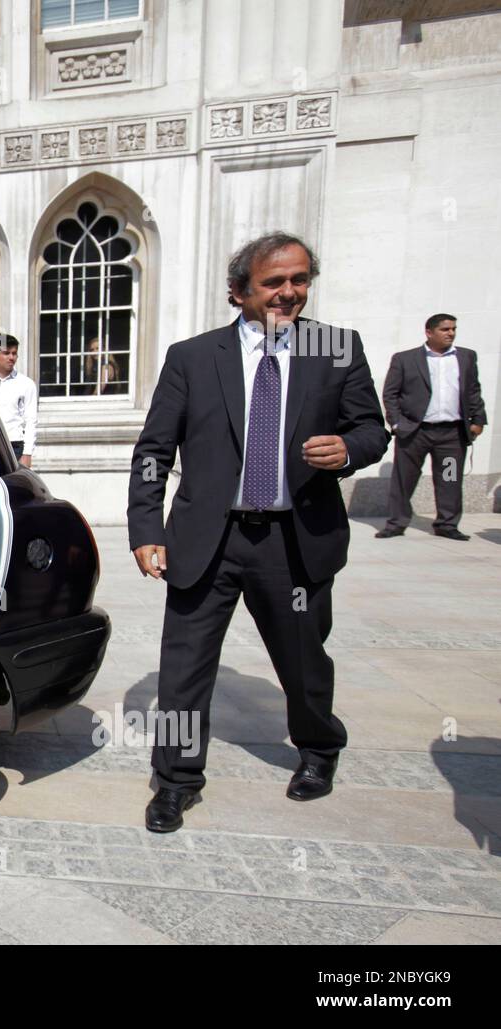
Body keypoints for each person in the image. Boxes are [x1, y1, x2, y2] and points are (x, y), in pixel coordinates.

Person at [127, 232, 388, 833]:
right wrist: (145, 524)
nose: (289, 293)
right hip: (206, 542)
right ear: (238, 291)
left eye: (299, 280)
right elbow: (154, 450)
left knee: (302, 663)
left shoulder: (336, 348)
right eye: (274, 283)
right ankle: (175, 782)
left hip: (292, 542)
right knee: (183, 671)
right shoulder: (193, 356)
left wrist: (348, 448)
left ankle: (319, 750)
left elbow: (373, 430)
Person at [376, 314, 487, 541]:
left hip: (451, 435)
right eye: (445, 329)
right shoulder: (405, 359)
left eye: (453, 329)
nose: (451, 333)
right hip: (415, 432)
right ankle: (396, 523)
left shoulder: (465, 357)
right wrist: (397, 423)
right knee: (404, 479)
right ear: (429, 332)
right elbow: (391, 393)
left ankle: (447, 524)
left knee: (449, 479)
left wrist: (478, 420)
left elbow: (473, 390)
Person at [0, 333, 36, 468]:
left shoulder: (26, 384)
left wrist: (27, 454)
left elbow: (31, 420)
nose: (11, 357)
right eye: (6, 353)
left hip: (14, 446)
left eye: (14, 353)